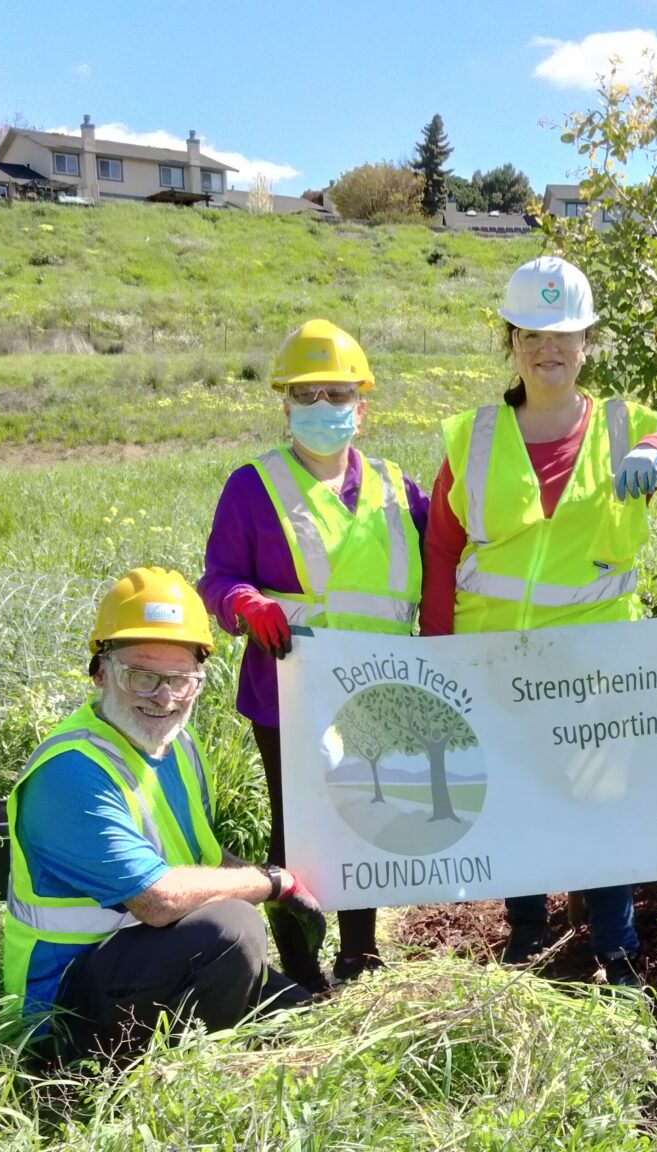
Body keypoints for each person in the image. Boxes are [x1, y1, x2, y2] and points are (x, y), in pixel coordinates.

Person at [421, 255, 657, 987]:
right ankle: (527, 935)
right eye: (530, 332)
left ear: (588, 341)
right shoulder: (473, 435)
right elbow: (441, 551)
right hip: (493, 660)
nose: (546, 348)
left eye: (562, 333)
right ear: (510, 341)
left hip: (597, 668)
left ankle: (616, 951)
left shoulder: (626, 424)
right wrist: (436, 658)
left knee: (600, 803)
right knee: (515, 800)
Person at [4, 567, 323, 1062]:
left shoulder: (177, 747)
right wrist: (268, 884)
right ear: (100, 672)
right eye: (142, 676)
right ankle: (171, 1081)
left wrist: (293, 884)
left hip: (145, 964)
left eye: (181, 679)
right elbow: (159, 900)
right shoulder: (72, 772)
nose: (164, 696)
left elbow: (204, 861)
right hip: (66, 1010)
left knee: (308, 1021)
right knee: (234, 930)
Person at [199, 319, 427, 992]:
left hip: (375, 689)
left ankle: (359, 959)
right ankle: (299, 972)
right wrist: (244, 603)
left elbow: (441, 567)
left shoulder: (397, 488)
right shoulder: (253, 486)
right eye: (308, 394)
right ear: (285, 405)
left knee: (367, 820)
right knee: (298, 834)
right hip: (286, 692)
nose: (324, 407)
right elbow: (217, 577)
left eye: (338, 393)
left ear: (363, 405)